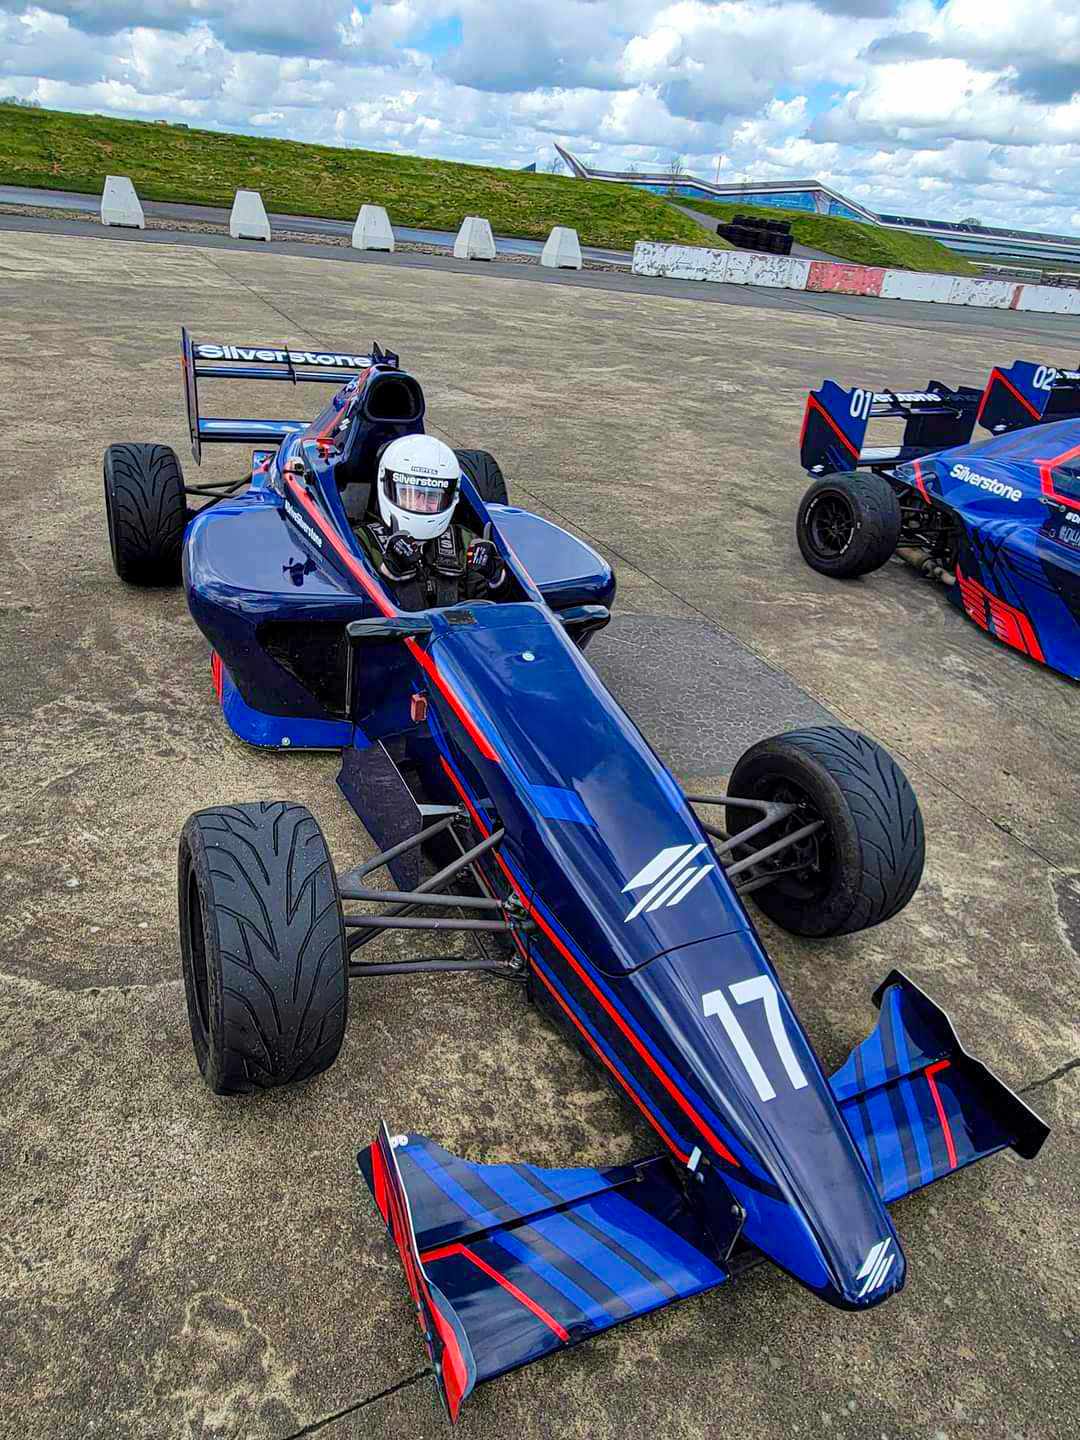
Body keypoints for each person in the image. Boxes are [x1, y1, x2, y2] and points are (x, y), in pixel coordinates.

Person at [356, 435, 507, 610]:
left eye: (432, 496)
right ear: (387, 486)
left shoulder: (465, 540)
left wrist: (495, 575)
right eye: (410, 494)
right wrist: (390, 571)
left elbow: (503, 603)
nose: (421, 505)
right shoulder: (361, 542)